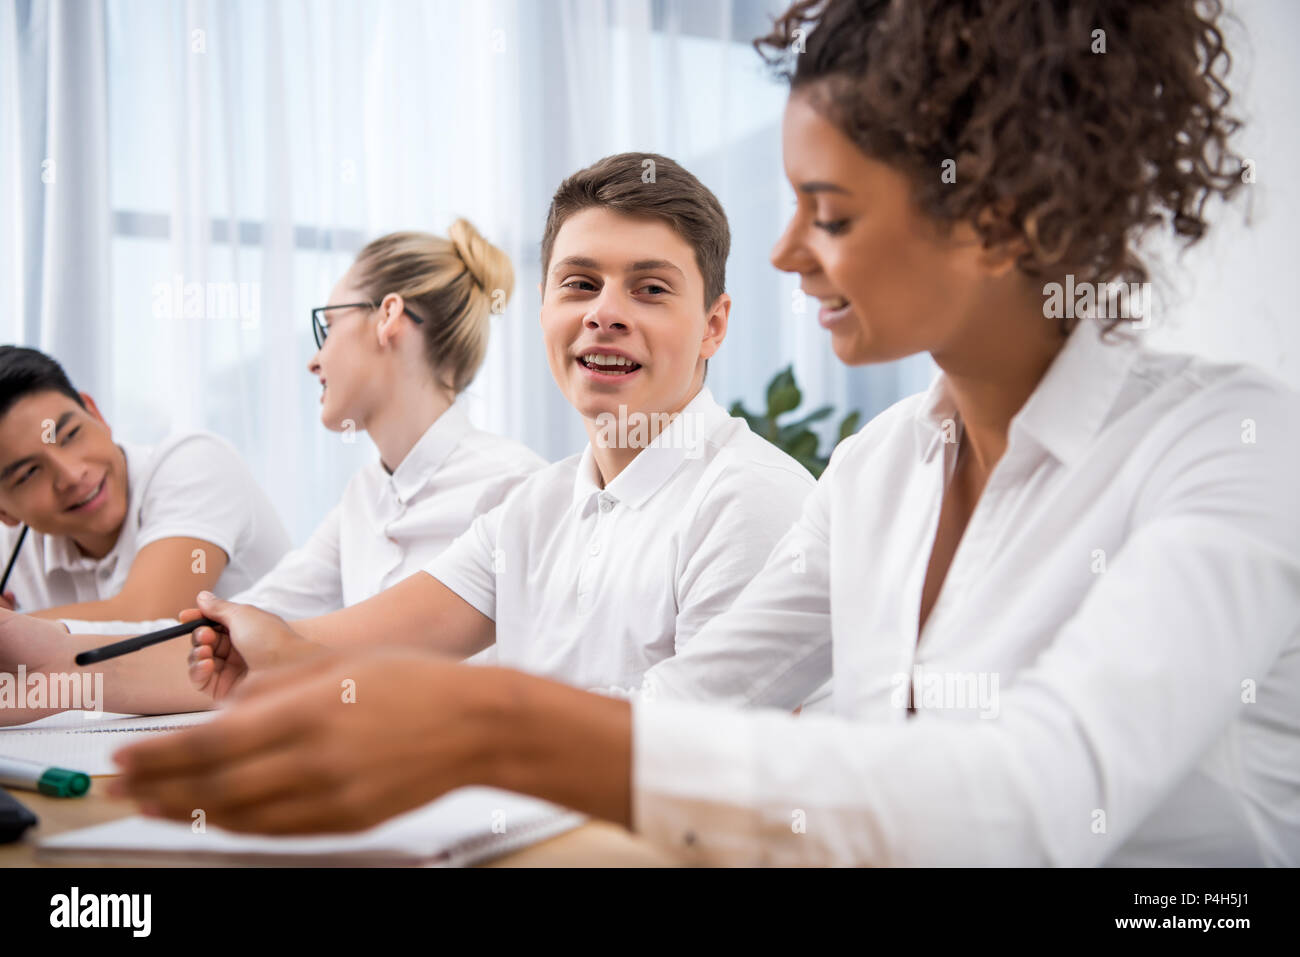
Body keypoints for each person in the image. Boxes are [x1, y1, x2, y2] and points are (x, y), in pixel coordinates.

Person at [116, 0, 1299, 866]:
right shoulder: (878, 471)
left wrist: (492, 722)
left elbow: (1039, 799)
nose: (788, 254)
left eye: (826, 215)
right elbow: (694, 701)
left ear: (996, 214)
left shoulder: (1226, 447)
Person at [182, 152, 816, 701]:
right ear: (544, 307)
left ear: (713, 325)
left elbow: (687, 753)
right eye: (580, 284)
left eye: (650, 288)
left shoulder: (750, 497)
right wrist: (268, 653)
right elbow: (355, 639)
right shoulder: (533, 509)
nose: (604, 313)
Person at [0, 221, 545, 720]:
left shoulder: (511, 489)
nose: (314, 359)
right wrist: (53, 652)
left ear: (388, 318)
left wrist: (57, 656)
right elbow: (232, 635)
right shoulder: (364, 498)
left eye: (326, 326)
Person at [0, 345, 289, 622]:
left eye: (71, 435)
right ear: (4, 512)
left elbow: (149, 620)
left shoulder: (194, 462)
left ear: (94, 413)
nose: (73, 475)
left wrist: (12, 627)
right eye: (28, 473)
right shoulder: (13, 547)